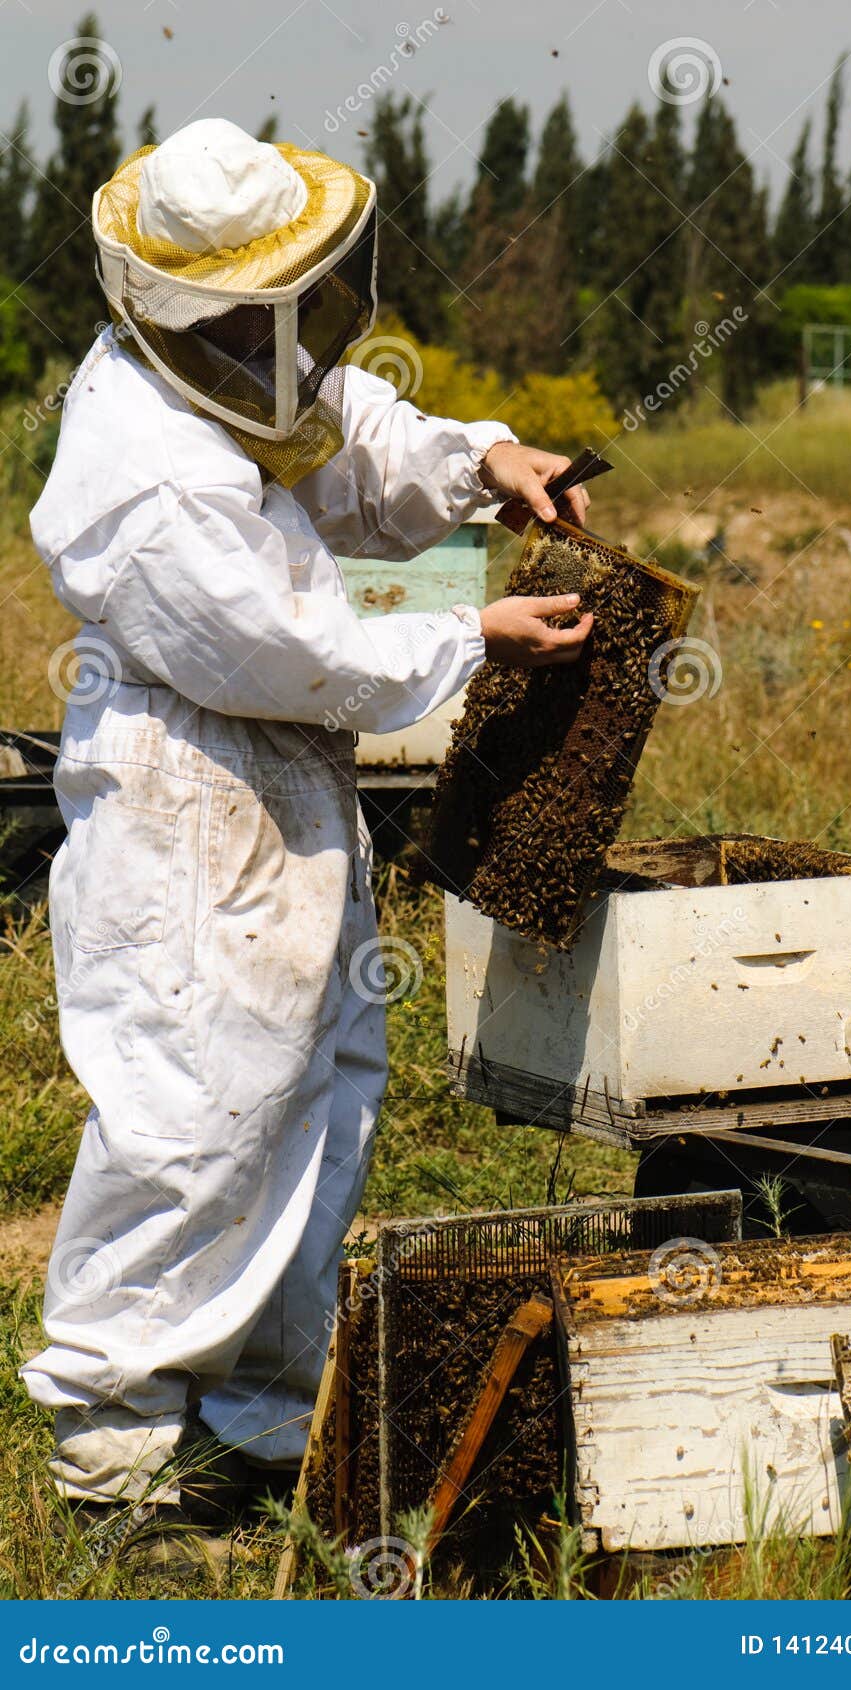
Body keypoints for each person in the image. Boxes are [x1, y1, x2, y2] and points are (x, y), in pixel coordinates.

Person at [21, 117, 594, 1547]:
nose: (296, 337)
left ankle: (262, 1418)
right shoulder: (149, 469)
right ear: (189, 311)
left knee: (316, 1084)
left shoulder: (236, 362)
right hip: (186, 790)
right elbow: (291, 649)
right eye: (265, 313)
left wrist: (488, 459)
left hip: (274, 778)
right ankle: (116, 1447)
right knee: (193, 1110)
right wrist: (469, 636)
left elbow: (346, 431)